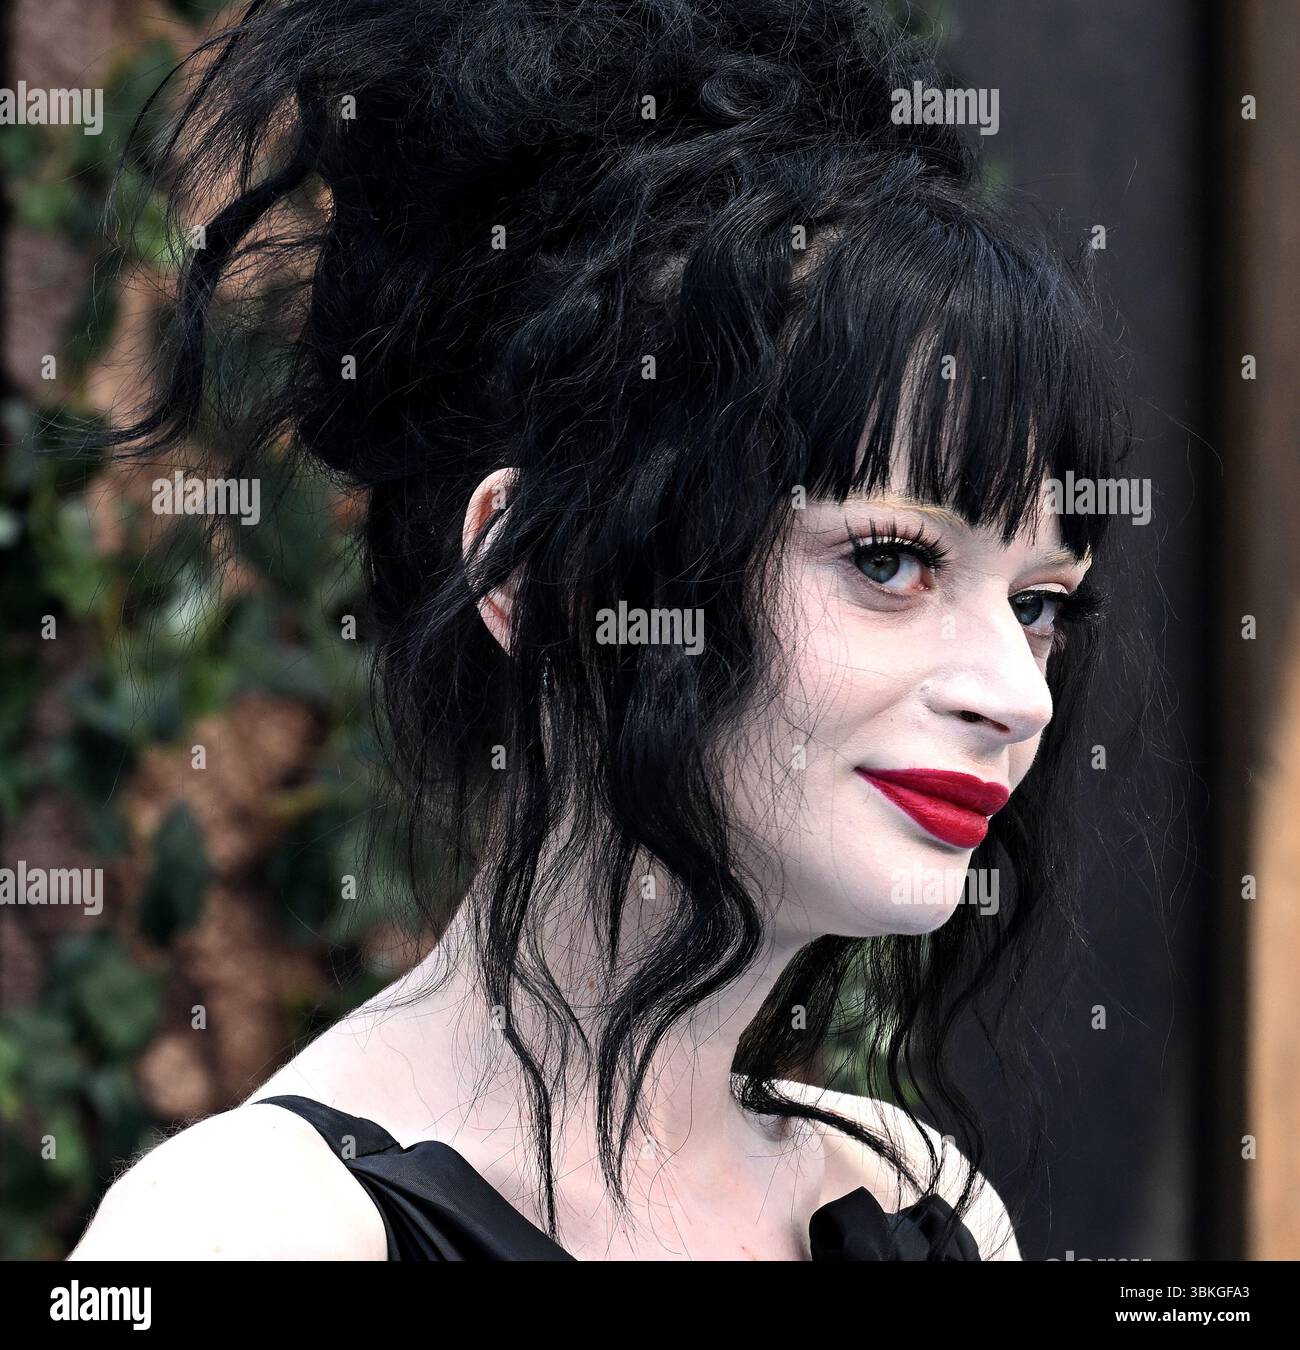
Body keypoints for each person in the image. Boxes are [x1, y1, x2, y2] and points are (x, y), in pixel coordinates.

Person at [68, 0, 1133, 1261]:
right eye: (890, 560)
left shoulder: (918, 1200)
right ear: (533, 568)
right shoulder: (251, 1230)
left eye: (1038, 604)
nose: (1018, 694)